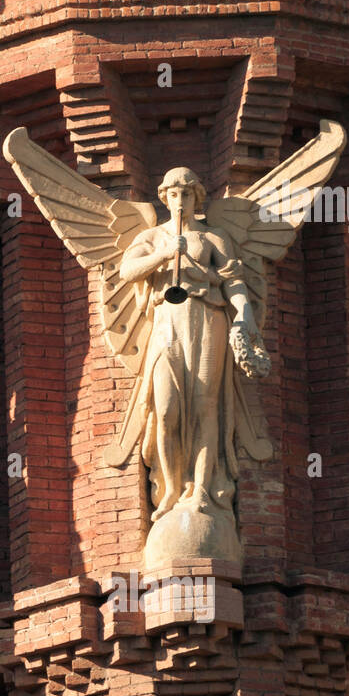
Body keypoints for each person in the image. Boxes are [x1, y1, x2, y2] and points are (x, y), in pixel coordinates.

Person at [115, 167, 257, 521]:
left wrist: (245, 316)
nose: (181, 201)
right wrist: (164, 255)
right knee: (165, 409)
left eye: (187, 194)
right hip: (166, 322)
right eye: (174, 195)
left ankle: (203, 490)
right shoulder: (153, 237)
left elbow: (233, 282)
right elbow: (126, 271)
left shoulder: (214, 237)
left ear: (197, 197)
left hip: (209, 320)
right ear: (165, 198)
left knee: (204, 406)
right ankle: (172, 490)